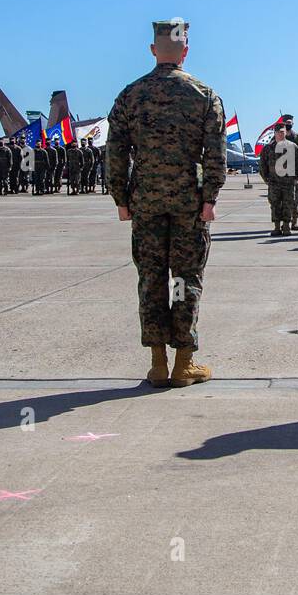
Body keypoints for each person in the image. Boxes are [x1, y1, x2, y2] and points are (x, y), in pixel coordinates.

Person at [106, 19, 226, 389]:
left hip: (146, 202)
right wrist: (210, 198)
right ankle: (183, 363)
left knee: (152, 277)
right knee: (185, 278)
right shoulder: (203, 94)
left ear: (154, 50)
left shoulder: (131, 95)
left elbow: (115, 151)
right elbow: (215, 155)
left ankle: (157, 362)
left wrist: (121, 199)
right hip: (189, 203)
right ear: (185, 51)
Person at [259, 125, 296, 236]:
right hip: (274, 182)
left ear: (285, 132)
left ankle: (286, 226)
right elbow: (262, 166)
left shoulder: (292, 147)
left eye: (282, 132)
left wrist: (296, 179)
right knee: (274, 204)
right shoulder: (267, 148)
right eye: (278, 132)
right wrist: (267, 179)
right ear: (274, 133)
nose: (281, 134)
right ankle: (276, 227)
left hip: (288, 183)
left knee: (288, 204)